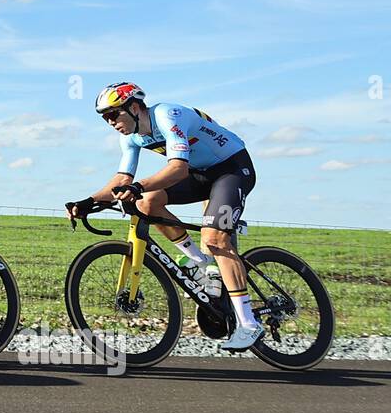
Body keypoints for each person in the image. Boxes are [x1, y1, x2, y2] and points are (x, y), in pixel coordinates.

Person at [66, 82, 262, 351]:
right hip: (202, 173)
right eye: (105, 118)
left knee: (215, 239)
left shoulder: (168, 116)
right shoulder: (131, 136)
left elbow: (178, 169)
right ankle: (198, 262)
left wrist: (138, 186)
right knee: (147, 203)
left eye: (113, 114)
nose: (110, 122)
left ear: (134, 107)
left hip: (231, 169)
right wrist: (89, 201)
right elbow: (122, 179)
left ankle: (249, 323)